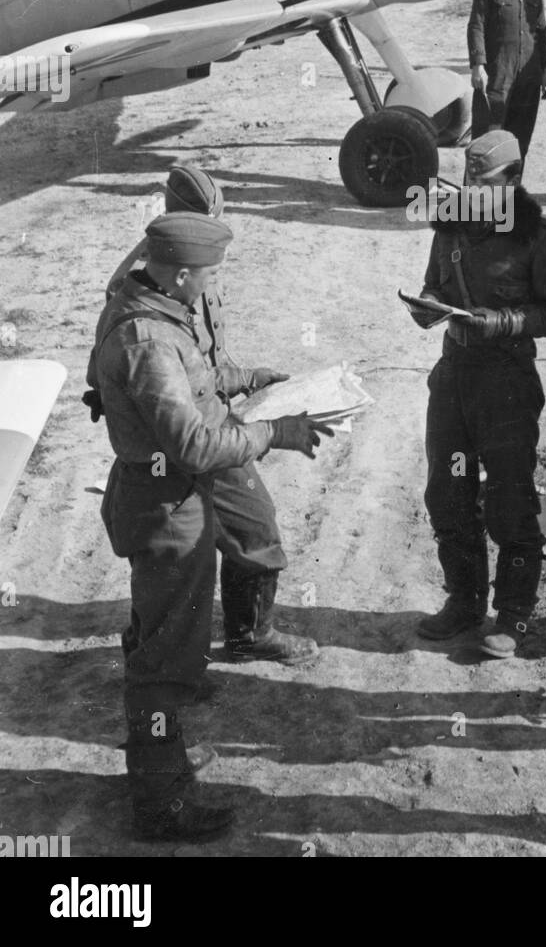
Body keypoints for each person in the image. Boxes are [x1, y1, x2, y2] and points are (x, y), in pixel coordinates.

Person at [90, 213, 333, 841]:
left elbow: (191, 384)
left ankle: (161, 764)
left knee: (162, 643)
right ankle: (161, 805)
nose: (211, 284)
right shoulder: (148, 338)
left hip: (169, 495)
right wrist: (275, 432)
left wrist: (247, 380)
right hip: (168, 507)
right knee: (165, 661)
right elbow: (194, 444)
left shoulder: (156, 310)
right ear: (180, 274)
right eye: (209, 273)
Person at [87, 163, 312, 666]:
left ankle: (248, 634)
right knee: (171, 562)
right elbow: (128, 368)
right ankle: (154, 660)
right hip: (175, 447)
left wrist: (246, 378)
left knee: (255, 527)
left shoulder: (185, 270)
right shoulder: (147, 288)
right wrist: (272, 431)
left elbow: (198, 361)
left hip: (210, 424)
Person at [410, 130, 546, 658]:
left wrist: (503, 321)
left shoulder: (536, 237)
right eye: (469, 178)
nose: (473, 189)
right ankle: (464, 600)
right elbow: (434, 282)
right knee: (447, 493)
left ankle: (513, 614)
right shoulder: (451, 226)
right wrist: (427, 305)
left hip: (506, 383)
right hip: (454, 377)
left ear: (514, 179)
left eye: (484, 181)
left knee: (509, 498)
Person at [468, 0, 546, 161]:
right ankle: (479, 185)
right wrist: (478, 65)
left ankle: (513, 184)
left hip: (529, 77)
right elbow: (476, 26)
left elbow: (542, 32)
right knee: (487, 140)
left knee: (520, 141)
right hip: (498, 75)